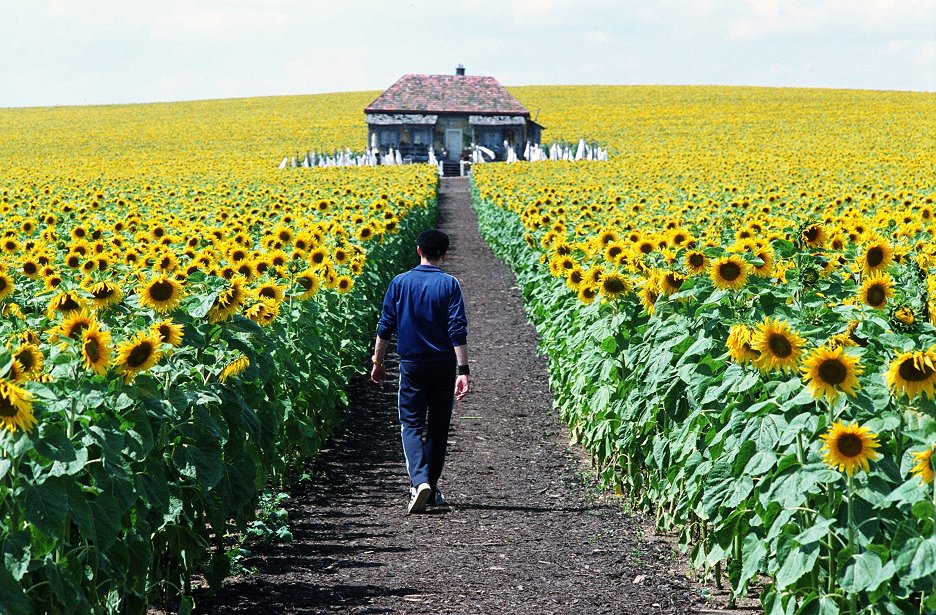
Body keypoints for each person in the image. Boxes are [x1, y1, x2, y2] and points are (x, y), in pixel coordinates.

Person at [370, 229, 470, 514]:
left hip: (412, 364)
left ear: (418, 250)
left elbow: (385, 326)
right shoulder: (450, 284)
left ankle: (419, 482)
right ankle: (431, 486)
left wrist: (378, 361)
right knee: (438, 427)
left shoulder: (400, 282)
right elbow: (457, 328)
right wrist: (463, 369)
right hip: (442, 364)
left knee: (411, 423)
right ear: (445, 253)